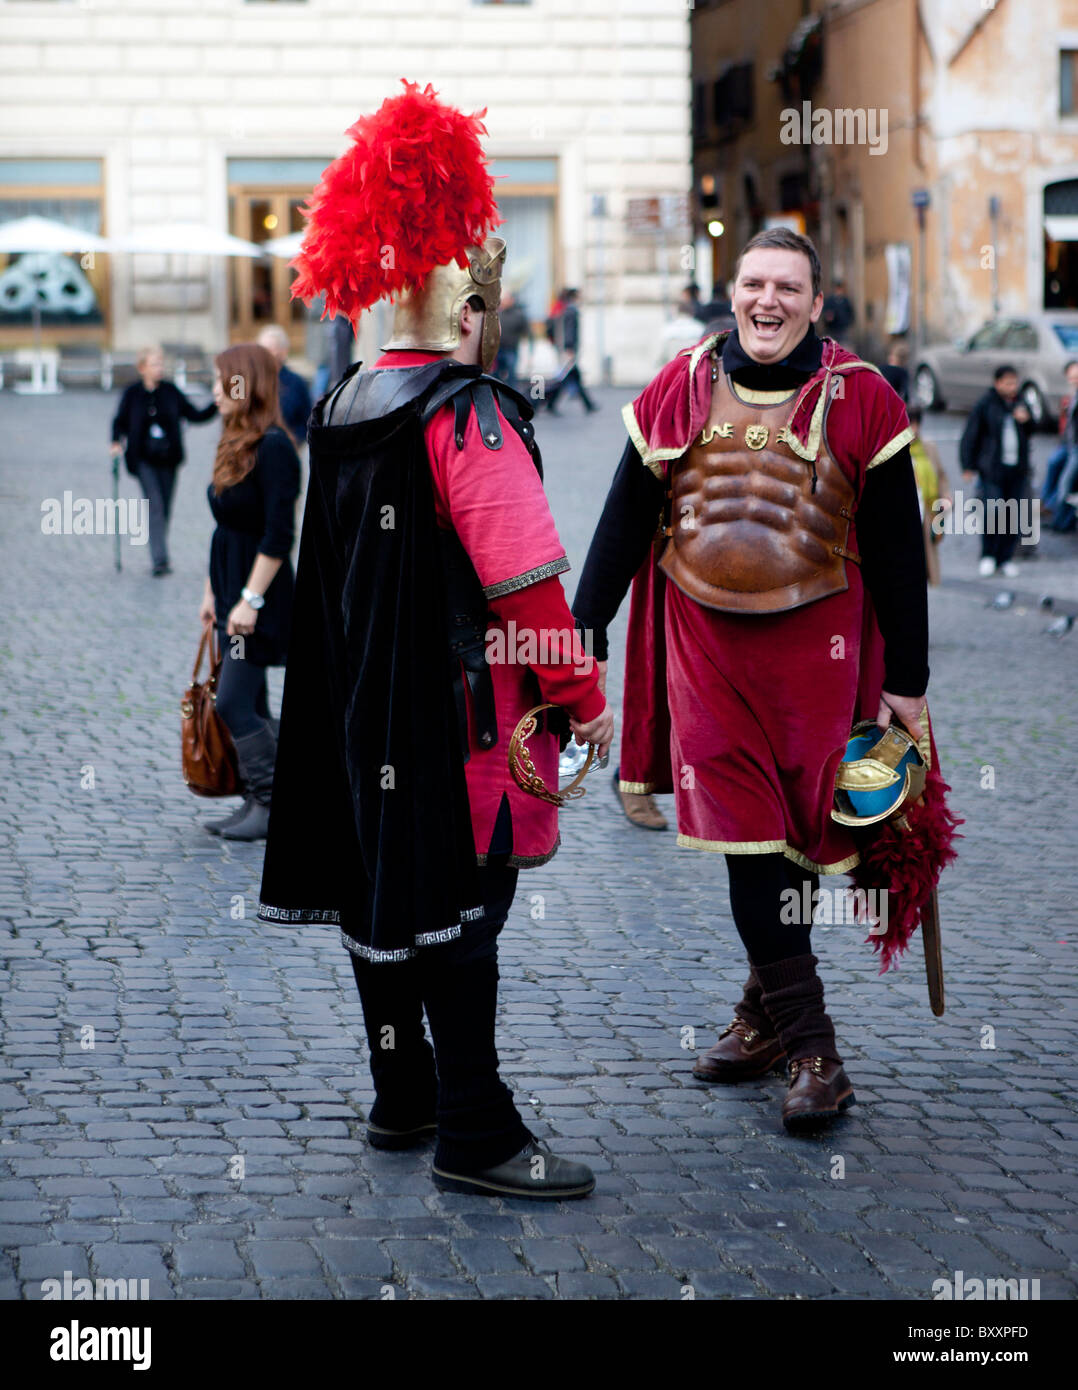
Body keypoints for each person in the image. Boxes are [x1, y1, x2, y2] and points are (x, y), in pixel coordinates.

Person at [256, 81, 613, 1200]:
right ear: (472, 303)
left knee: (382, 897)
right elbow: (529, 590)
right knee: (465, 917)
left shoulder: (349, 398)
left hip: (362, 702)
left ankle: (401, 1095)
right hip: (463, 718)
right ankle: (475, 1129)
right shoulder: (472, 411)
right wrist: (586, 702)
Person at [573, 227, 953, 1133]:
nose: (767, 301)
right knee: (749, 841)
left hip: (821, 657)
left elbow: (900, 551)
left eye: (787, 287)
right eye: (753, 284)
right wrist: (581, 630)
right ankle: (816, 1048)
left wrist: (908, 677)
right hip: (706, 651)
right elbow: (627, 508)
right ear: (732, 291)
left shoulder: (863, 398)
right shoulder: (682, 383)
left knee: (799, 836)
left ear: (817, 303)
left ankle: (760, 1014)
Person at [199, 343, 301, 842]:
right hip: (230, 591)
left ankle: (271, 800)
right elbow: (224, 525)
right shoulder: (233, 440)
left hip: (260, 599)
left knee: (232, 703)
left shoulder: (276, 448)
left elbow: (279, 535)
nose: (215, 390)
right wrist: (210, 594)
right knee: (253, 701)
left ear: (245, 384)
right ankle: (262, 799)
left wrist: (249, 600)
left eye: (222, 381)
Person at [110, 345, 217, 575]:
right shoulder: (132, 394)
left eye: (161, 364)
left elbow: (194, 414)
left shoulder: (171, 391)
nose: (159, 368)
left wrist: (218, 403)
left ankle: (158, 547)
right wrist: (116, 442)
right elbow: (119, 421)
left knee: (164, 507)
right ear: (142, 368)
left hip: (168, 458)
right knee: (155, 504)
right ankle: (160, 559)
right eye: (154, 364)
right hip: (142, 459)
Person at [959, 363, 1034, 578]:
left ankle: (1005, 557)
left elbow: (1032, 430)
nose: (1013, 387)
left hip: (1016, 469)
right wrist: (968, 465)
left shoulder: (1021, 402)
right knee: (993, 512)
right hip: (992, 469)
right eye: (1008, 383)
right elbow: (971, 435)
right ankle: (988, 555)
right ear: (998, 383)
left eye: (1015, 382)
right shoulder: (986, 404)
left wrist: (1026, 420)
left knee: (1013, 514)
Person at [908, 406, 952, 586]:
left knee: (928, 549)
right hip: (906, 511)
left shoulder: (929, 448)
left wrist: (946, 496)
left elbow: (940, 474)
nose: (912, 429)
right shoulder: (895, 452)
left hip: (928, 507)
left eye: (915, 424)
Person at [256, 324, 313, 450]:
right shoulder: (251, 380)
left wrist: (295, 439)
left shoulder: (297, 383)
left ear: (284, 351)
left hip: (288, 449)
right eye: (264, 349)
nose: (269, 353)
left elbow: (308, 419)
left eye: (274, 348)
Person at [544, 287, 598, 414]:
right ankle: (547, 401)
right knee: (565, 378)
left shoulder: (564, 309)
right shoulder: (571, 311)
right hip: (568, 350)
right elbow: (569, 330)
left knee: (568, 377)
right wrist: (569, 348)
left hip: (566, 349)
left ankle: (552, 403)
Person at [1042, 360, 1078, 533]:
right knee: (1053, 464)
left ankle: (1060, 521)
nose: (1074, 380)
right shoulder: (1071, 396)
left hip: (1075, 448)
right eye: (1071, 377)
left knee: (1066, 484)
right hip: (1069, 444)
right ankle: (1049, 507)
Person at [493, 289, 529, 393]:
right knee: (497, 373)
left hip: (511, 349)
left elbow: (525, 332)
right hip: (498, 349)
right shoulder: (498, 314)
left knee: (511, 373)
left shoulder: (518, 315)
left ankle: (513, 393)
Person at [822, 277, 855, 343]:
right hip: (832, 329)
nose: (838, 290)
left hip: (843, 329)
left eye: (840, 288)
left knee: (843, 345)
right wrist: (828, 318)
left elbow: (851, 313)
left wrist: (848, 323)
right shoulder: (829, 301)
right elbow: (825, 313)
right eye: (837, 288)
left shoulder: (846, 301)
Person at [879, 339, 910, 404]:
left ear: (891, 357)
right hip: (889, 403)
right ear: (905, 360)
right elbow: (905, 393)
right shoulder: (903, 372)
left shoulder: (880, 368)